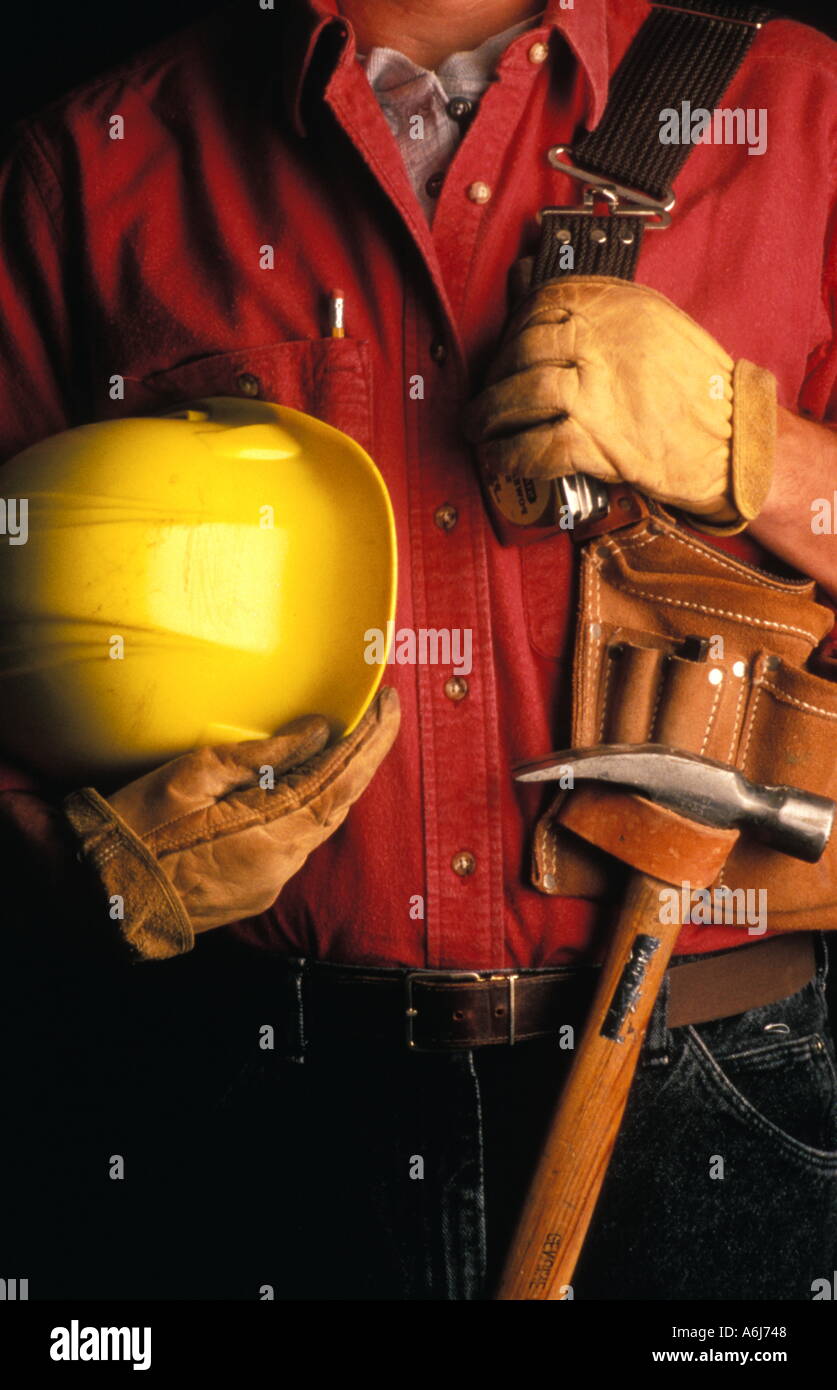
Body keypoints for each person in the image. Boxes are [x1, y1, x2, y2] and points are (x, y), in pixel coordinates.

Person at [2, 0, 837, 1301]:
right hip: (261, 1108)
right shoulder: (96, 160)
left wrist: (758, 453)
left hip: (729, 1077)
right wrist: (81, 870)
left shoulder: (803, 115)